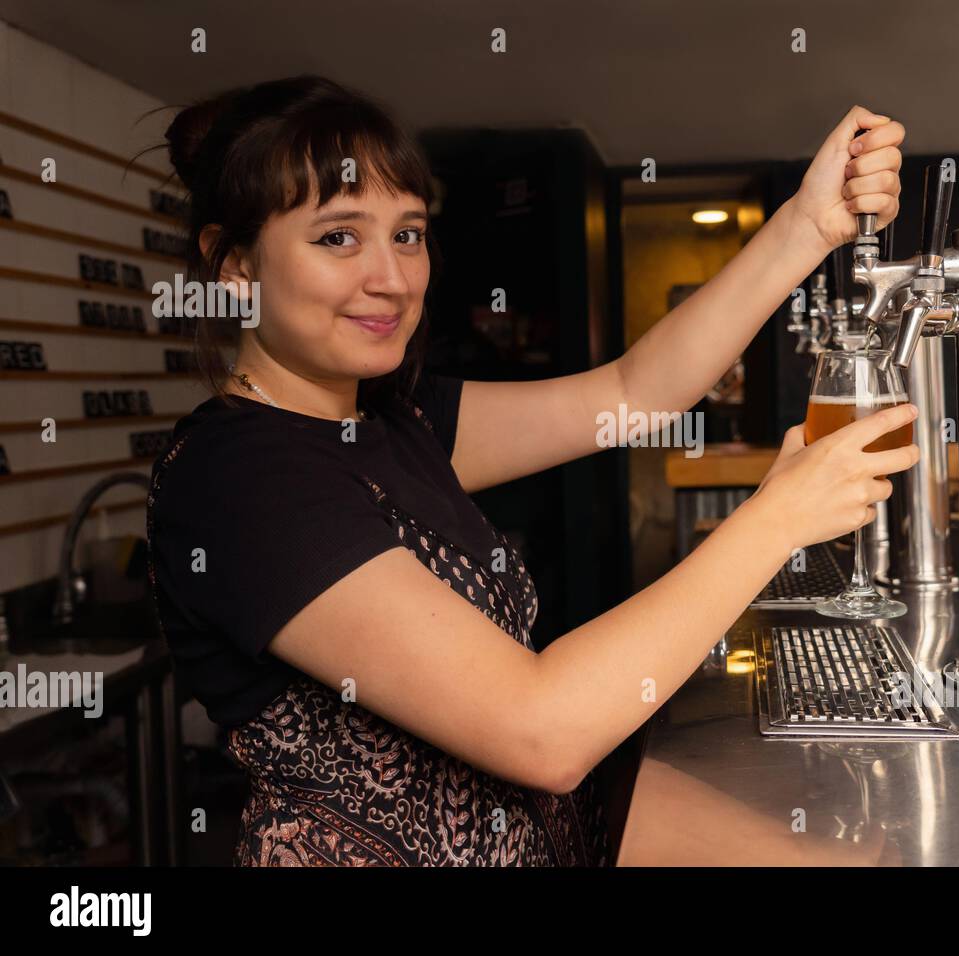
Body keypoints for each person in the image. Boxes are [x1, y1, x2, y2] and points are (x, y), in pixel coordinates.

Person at [145, 75, 917, 866]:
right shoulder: (238, 478)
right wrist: (777, 519)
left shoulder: (395, 422)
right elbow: (541, 730)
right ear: (235, 266)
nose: (392, 277)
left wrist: (806, 226)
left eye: (406, 233)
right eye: (339, 237)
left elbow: (633, 393)